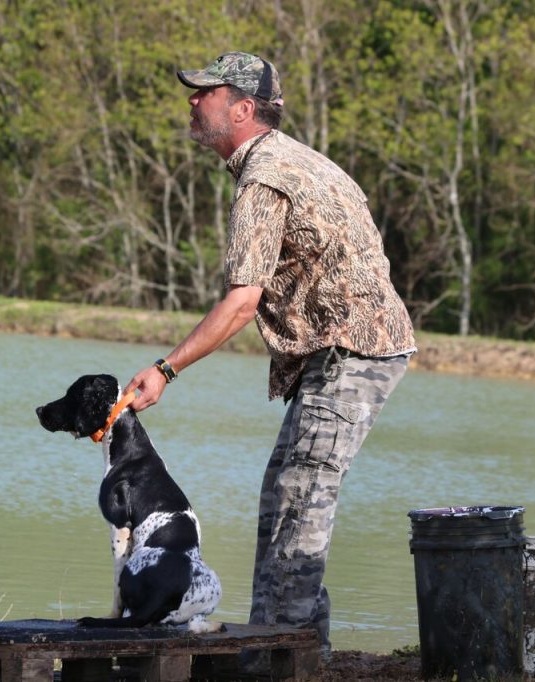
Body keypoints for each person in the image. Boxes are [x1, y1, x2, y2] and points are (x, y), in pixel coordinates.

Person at [125, 51, 416, 660]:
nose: (192, 101)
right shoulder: (294, 161)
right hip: (347, 347)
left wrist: (165, 369)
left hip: (352, 350)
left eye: (205, 92)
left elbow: (240, 303)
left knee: (300, 493)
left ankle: (276, 656)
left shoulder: (264, 177)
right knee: (289, 490)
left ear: (243, 108)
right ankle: (301, 646)